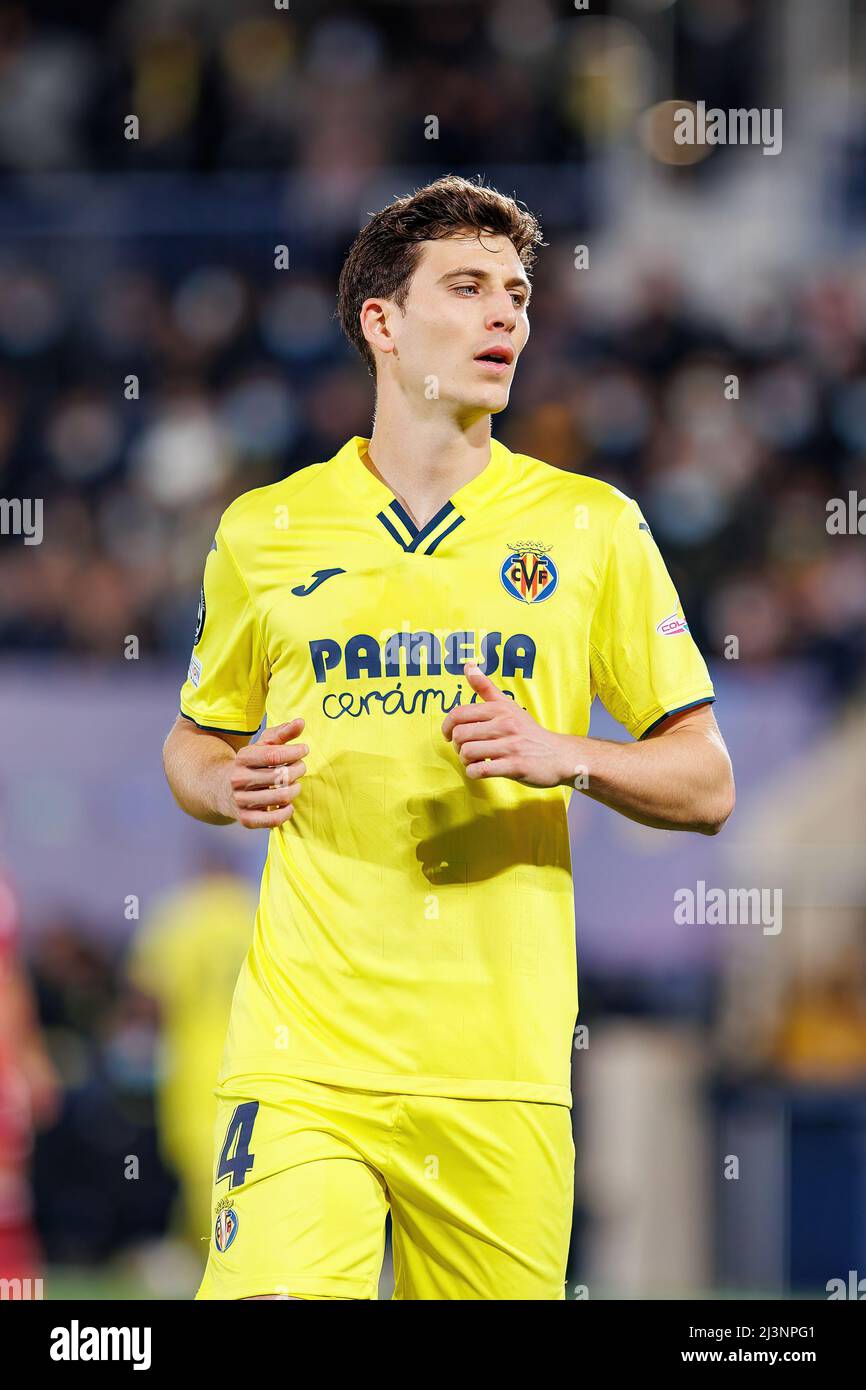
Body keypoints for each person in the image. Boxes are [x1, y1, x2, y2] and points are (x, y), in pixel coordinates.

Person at [163, 174, 735, 1301]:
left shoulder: (589, 527)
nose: (503, 319)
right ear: (382, 321)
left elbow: (704, 780)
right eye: (467, 288)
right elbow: (191, 744)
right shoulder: (264, 531)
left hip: (499, 1073)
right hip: (304, 1057)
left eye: (516, 296)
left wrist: (566, 752)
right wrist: (229, 784)